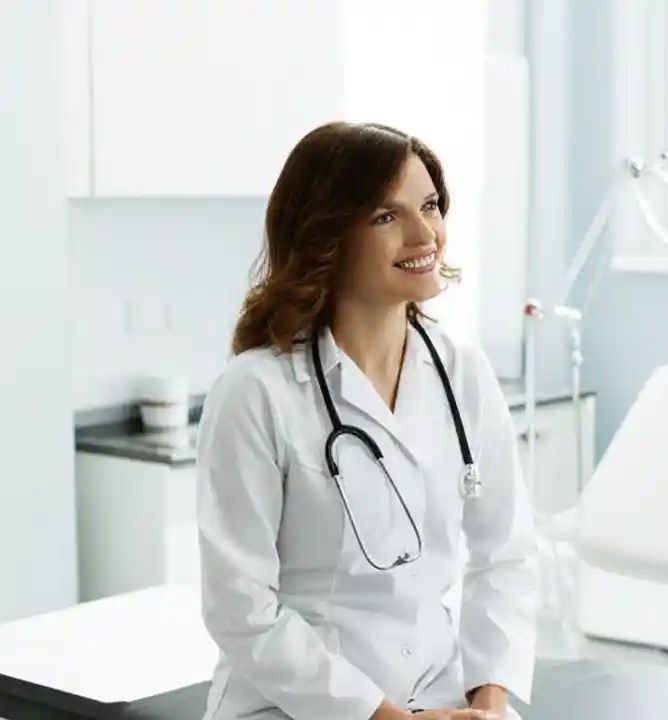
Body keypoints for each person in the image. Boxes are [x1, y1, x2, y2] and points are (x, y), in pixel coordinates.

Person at [196, 122, 537, 720]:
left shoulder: (463, 372)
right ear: (327, 236)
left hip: (441, 695)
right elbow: (241, 609)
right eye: (387, 216)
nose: (423, 232)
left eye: (429, 205)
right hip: (298, 706)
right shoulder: (256, 392)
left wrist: (487, 702)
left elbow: (503, 553)